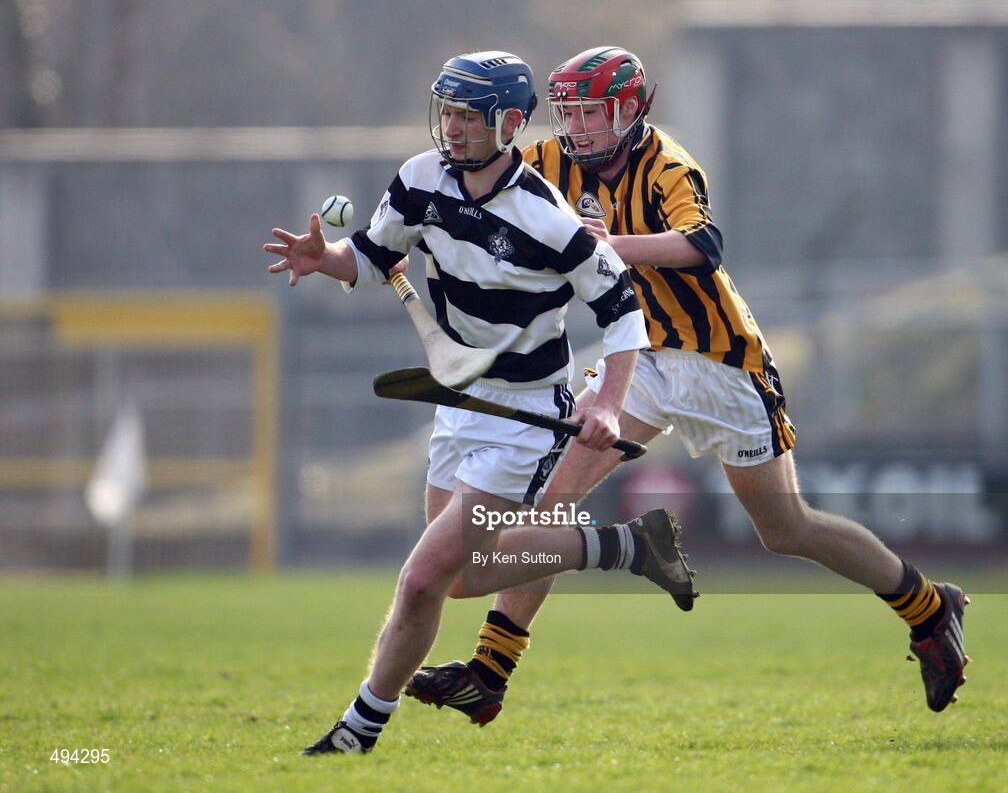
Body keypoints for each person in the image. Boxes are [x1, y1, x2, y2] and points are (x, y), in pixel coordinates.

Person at [405, 46, 969, 724]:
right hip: (637, 360)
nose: (578, 127)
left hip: (721, 365)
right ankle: (491, 671)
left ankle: (929, 607)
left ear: (630, 108)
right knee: (549, 506)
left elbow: (704, 244)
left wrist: (609, 245)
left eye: (592, 112)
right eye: (570, 112)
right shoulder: (552, 162)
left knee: (786, 528)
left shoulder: (666, 164)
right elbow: (486, 184)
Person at [264, 51, 698, 755]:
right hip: (459, 404)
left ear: (510, 123)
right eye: (450, 112)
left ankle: (357, 730)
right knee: (461, 577)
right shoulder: (419, 179)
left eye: (471, 116)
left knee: (422, 578)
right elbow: (376, 256)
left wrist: (610, 405)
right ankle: (622, 546)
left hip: (524, 421)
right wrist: (330, 258)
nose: (455, 128)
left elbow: (623, 313)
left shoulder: (546, 219)